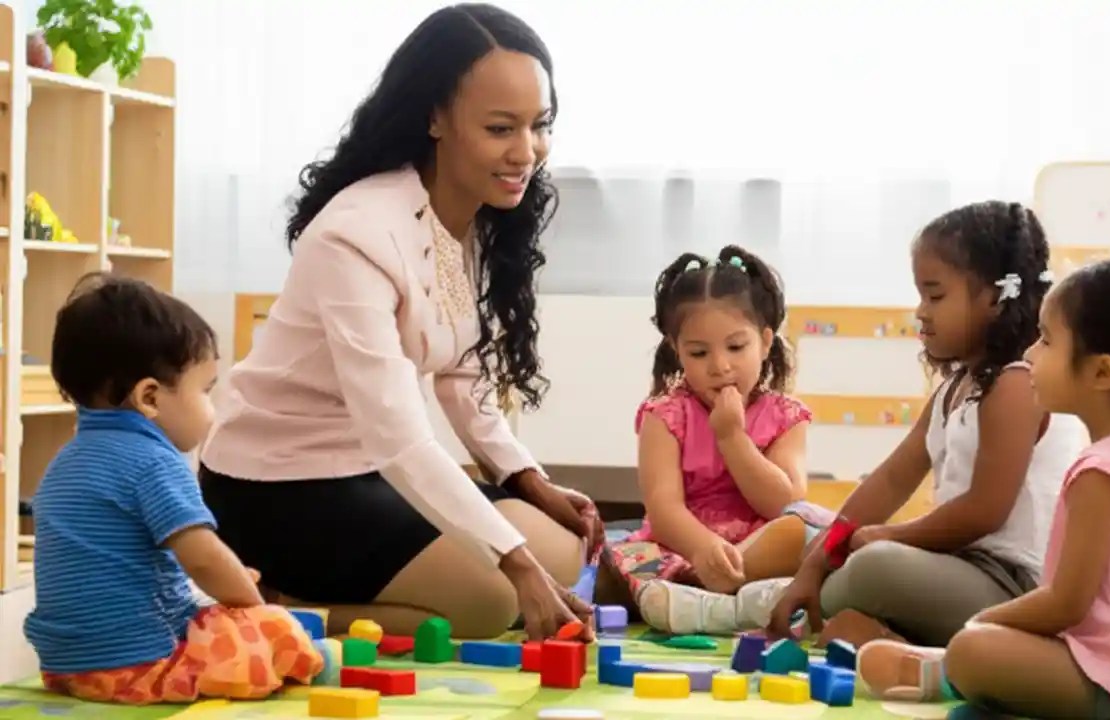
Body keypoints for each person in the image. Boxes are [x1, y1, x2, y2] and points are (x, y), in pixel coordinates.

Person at [198, 3, 602, 641]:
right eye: (501, 128)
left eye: (539, 126)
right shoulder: (354, 233)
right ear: (435, 116)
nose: (527, 153)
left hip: (368, 472)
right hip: (276, 486)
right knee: (493, 600)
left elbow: (464, 376)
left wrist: (529, 481)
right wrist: (515, 564)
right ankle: (278, 605)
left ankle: (333, 593)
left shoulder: (477, 220)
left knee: (562, 550)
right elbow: (402, 441)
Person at [855, 257, 1110, 720]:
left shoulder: (1104, 471)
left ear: (1101, 373)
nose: (1030, 354)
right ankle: (955, 673)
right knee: (986, 650)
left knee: (975, 647)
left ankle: (947, 669)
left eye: (1046, 339)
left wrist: (980, 623)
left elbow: (1065, 603)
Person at [769, 201, 1087, 648]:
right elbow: (891, 479)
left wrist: (889, 536)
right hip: (964, 570)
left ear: (996, 298)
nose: (921, 311)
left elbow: (984, 510)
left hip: (1015, 586)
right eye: (920, 295)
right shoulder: (955, 389)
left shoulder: (1017, 385)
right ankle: (865, 625)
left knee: (873, 566)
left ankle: (767, 605)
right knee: (826, 546)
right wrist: (815, 562)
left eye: (935, 296)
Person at [25, 275, 322, 705]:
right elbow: (202, 558)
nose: (211, 408)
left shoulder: (64, 463)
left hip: (67, 667)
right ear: (150, 397)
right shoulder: (153, 462)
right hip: (144, 665)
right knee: (274, 628)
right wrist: (252, 605)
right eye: (205, 391)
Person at [604, 245, 816, 635]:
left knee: (800, 530)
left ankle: (712, 600)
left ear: (766, 342)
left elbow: (784, 502)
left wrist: (731, 437)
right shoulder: (665, 416)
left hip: (754, 547)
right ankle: (721, 599)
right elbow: (664, 509)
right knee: (624, 556)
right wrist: (703, 551)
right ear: (676, 350)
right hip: (683, 547)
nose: (720, 366)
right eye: (699, 352)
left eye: (736, 347)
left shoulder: (786, 416)